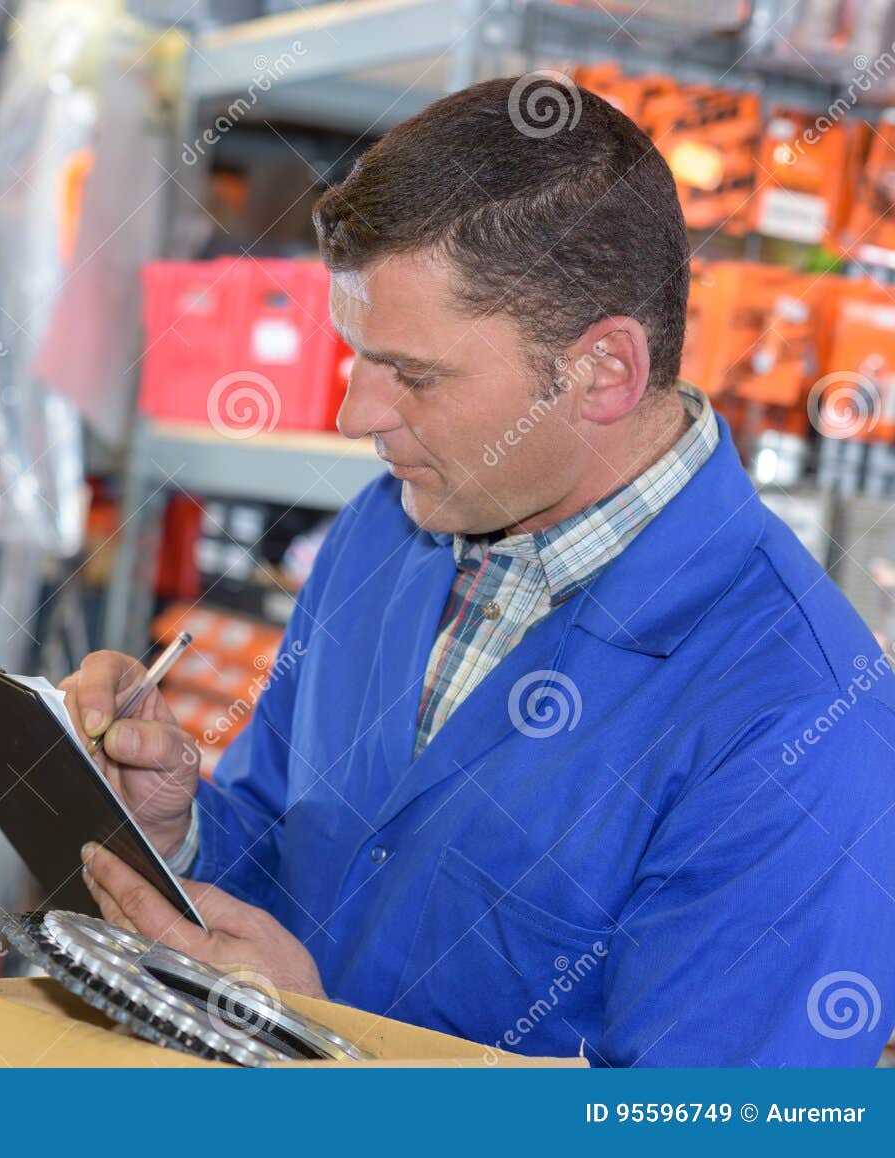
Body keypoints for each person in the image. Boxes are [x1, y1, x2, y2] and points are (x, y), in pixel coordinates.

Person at [65, 77, 895, 1066]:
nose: (353, 416)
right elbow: (292, 853)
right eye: (353, 357)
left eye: (413, 374)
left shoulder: (799, 723)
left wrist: (322, 1061)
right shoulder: (385, 533)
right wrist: (178, 835)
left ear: (603, 373)